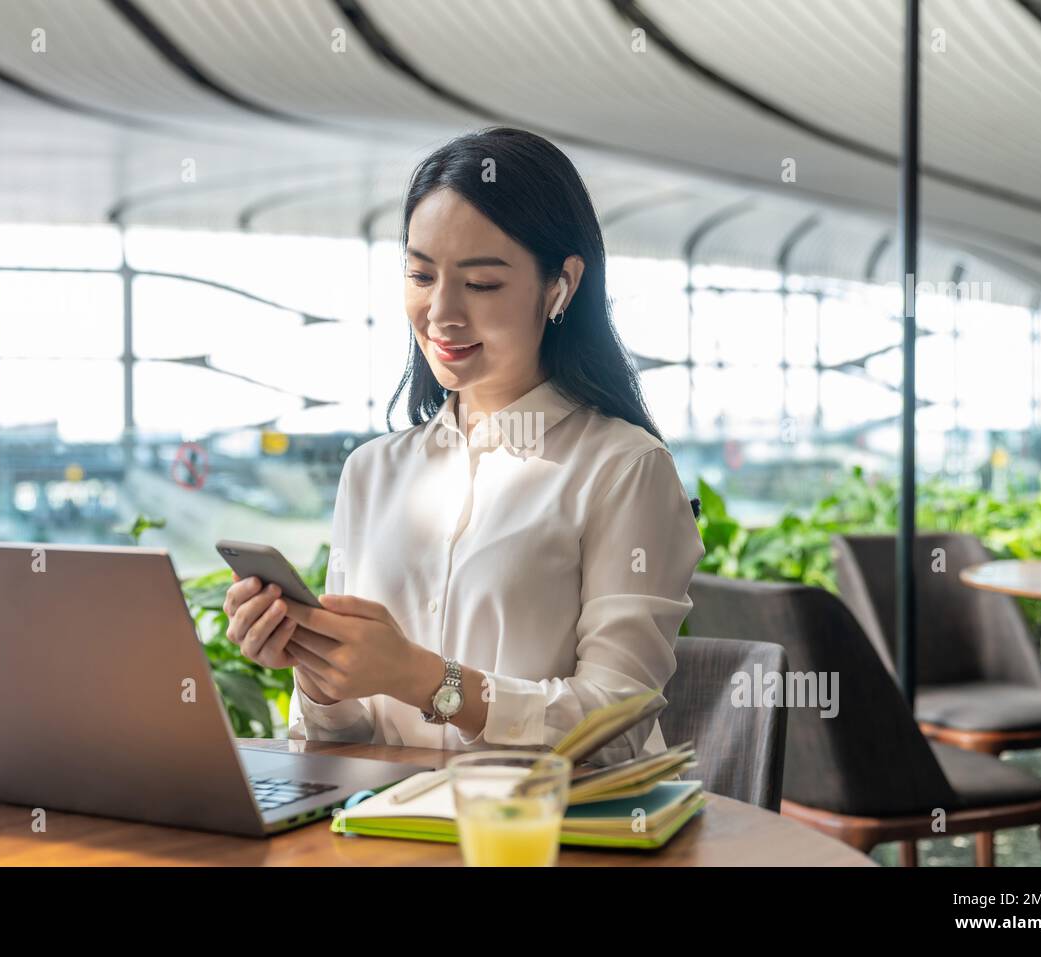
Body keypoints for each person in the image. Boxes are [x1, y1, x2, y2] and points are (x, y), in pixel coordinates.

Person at [223, 127, 705, 766]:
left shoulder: (623, 469)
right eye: (421, 275)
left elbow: (615, 718)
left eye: (480, 284)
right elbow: (345, 744)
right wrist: (316, 670)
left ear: (560, 286)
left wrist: (425, 680)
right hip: (391, 835)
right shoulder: (371, 473)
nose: (442, 313)